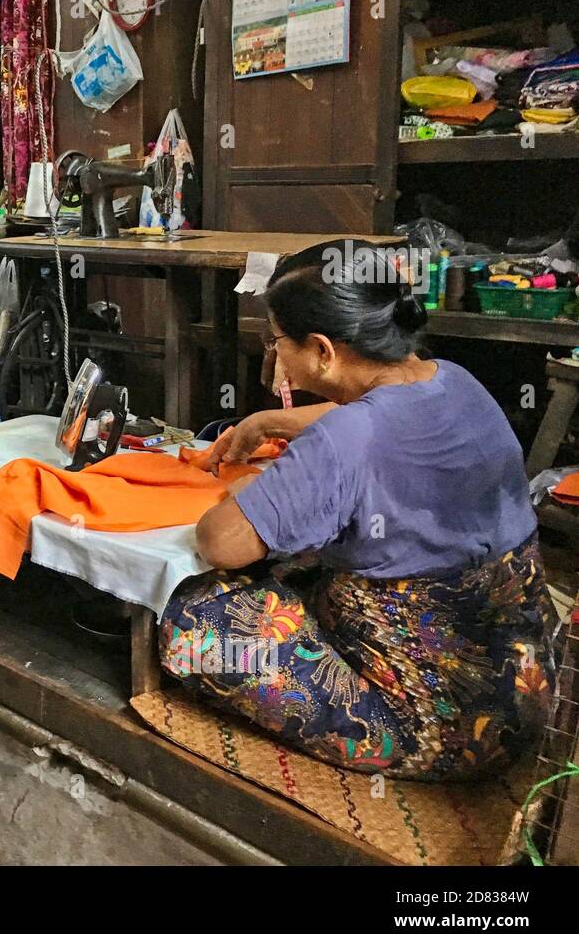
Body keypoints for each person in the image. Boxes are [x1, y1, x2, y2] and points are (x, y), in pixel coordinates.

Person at [162, 241, 555, 782]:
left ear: (322, 349)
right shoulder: (455, 379)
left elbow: (220, 541)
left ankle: (388, 728)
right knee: (306, 558)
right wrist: (266, 423)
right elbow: (373, 416)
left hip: (447, 731)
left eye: (276, 341)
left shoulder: (346, 439)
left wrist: (262, 490)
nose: (274, 355)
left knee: (198, 615)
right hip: (523, 685)